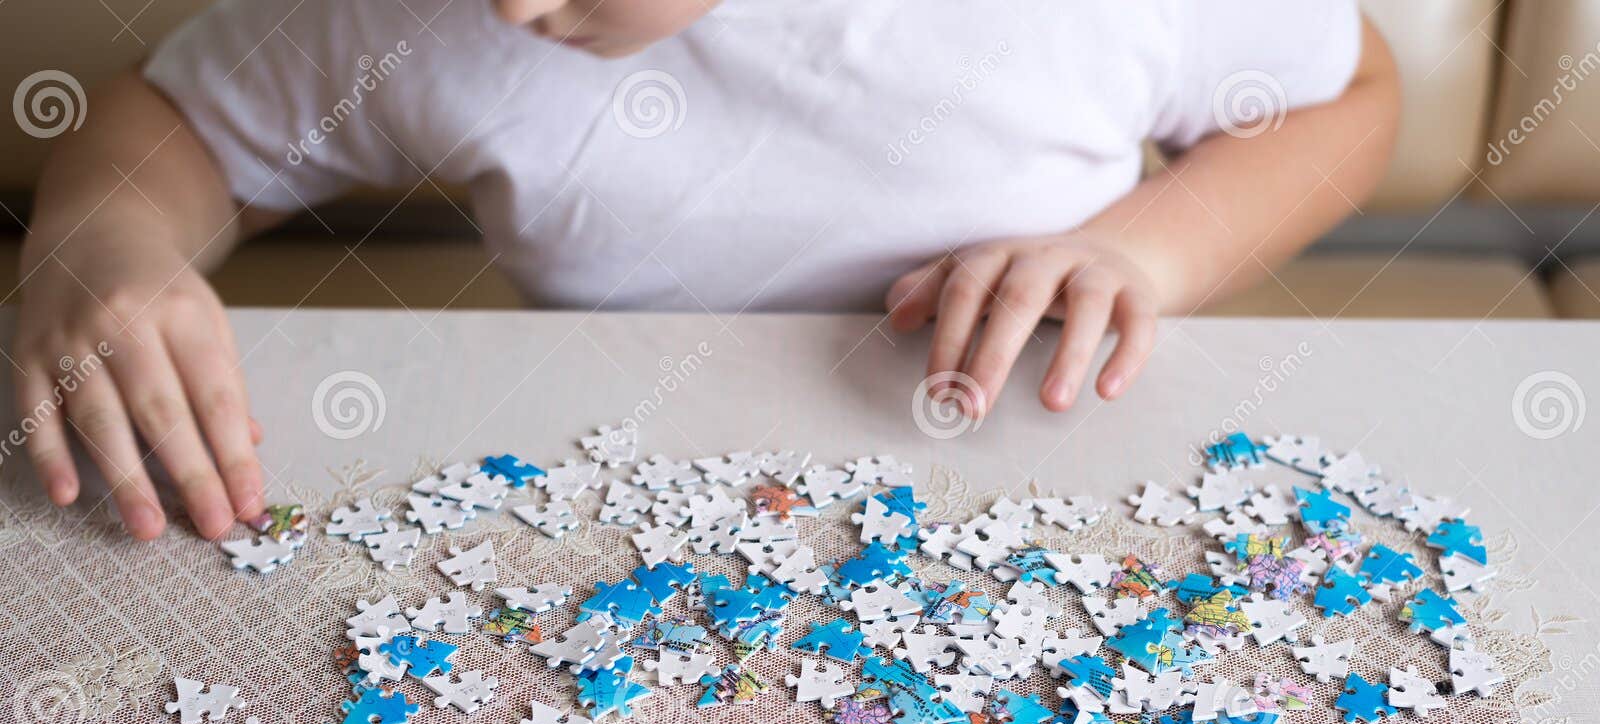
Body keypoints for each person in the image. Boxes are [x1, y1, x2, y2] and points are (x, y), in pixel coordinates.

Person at [11, 0, 1398, 540]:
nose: (509, 6)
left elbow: (1353, 97)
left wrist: (1137, 251)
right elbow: (176, 121)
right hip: (622, 516)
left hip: (1055, 482)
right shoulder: (424, 15)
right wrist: (100, 240)